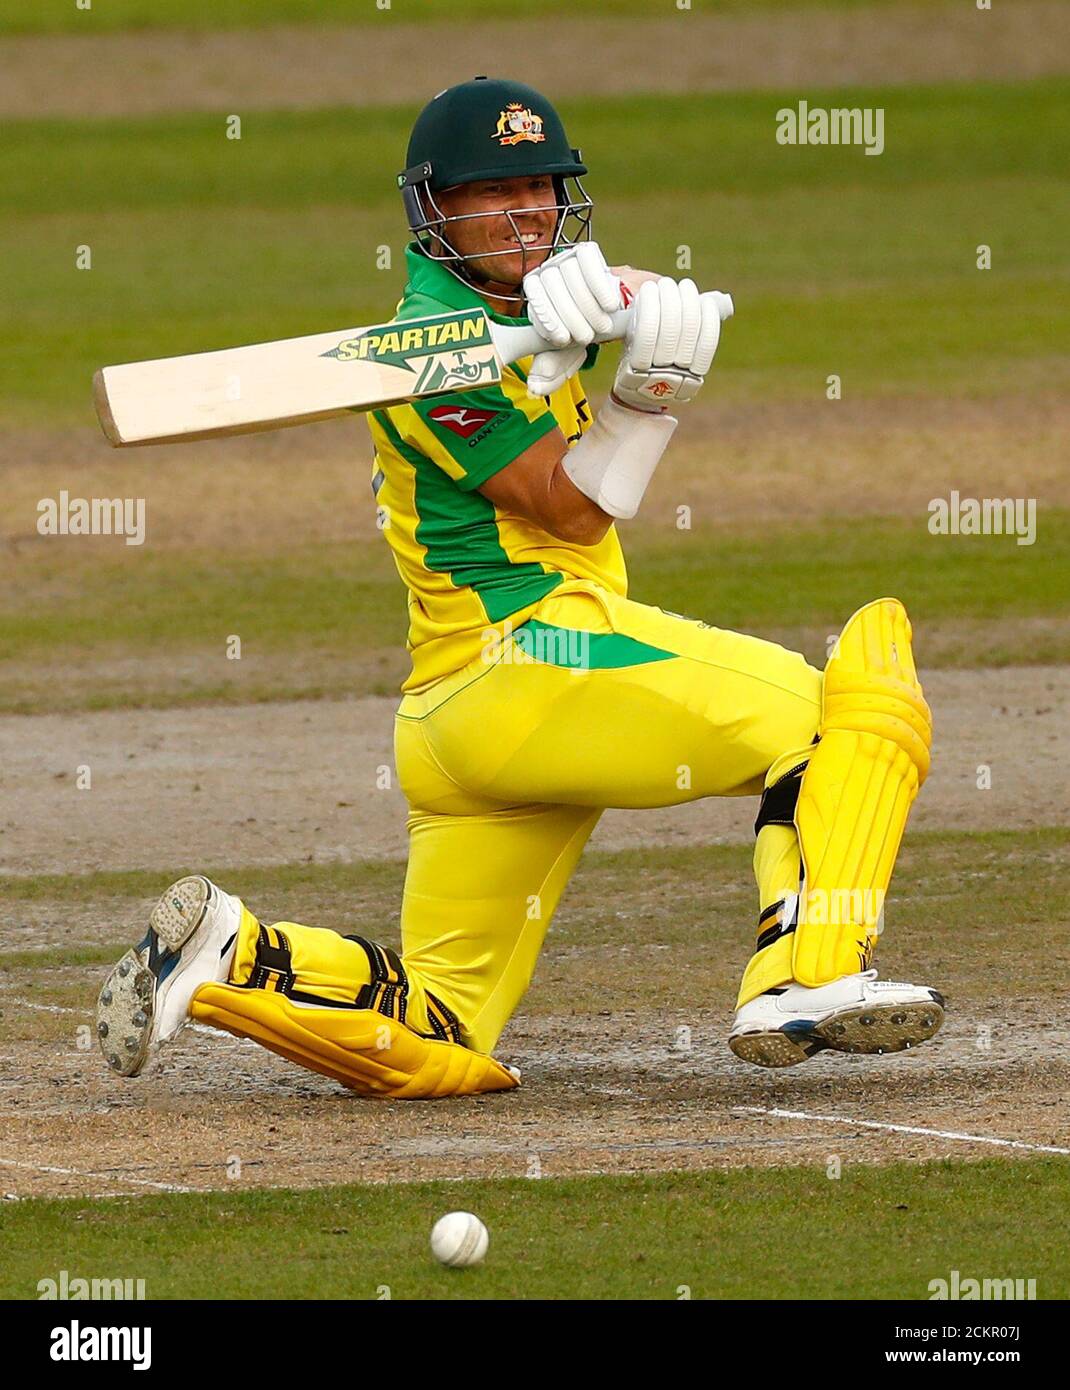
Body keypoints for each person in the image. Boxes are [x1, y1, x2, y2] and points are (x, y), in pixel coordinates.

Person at [97, 77, 943, 1099]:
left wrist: (625, 306)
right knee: (846, 715)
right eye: (493, 191)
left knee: (444, 1031)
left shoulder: (524, 306)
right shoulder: (426, 358)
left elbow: (582, 314)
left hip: (461, 726)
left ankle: (234, 956)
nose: (527, 209)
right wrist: (649, 396)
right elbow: (573, 508)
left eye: (541, 186)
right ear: (432, 210)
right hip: (537, 653)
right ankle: (803, 971)